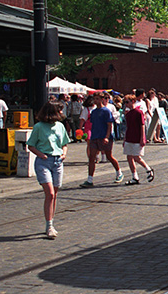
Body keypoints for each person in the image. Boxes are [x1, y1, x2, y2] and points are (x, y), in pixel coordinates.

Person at [26, 102, 71, 239]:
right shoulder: (39, 127)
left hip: (57, 161)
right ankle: (49, 225)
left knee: (54, 194)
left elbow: (64, 143)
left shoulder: (60, 126)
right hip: (44, 162)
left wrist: (64, 154)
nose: (61, 113)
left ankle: (51, 221)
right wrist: (41, 155)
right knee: (50, 193)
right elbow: (30, 145)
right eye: (59, 110)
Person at [80, 93, 123, 187]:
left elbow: (109, 125)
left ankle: (119, 172)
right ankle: (90, 179)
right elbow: (93, 124)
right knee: (92, 157)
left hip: (104, 137)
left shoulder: (106, 111)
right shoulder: (94, 112)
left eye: (97, 99)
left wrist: (107, 137)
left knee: (109, 156)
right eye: (94, 99)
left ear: (102, 99)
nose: (95, 101)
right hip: (95, 137)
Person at [122, 95, 154, 185]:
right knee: (129, 157)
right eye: (125, 102)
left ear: (133, 101)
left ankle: (148, 169)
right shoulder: (128, 114)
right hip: (129, 137)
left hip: (137, 138)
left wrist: (143, 138)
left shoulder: (139, 112)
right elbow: (127, 127)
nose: (126, 104)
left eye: (127, 102)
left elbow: (142, 126)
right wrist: (125, 139)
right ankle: (134, 176)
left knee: (137, 157)